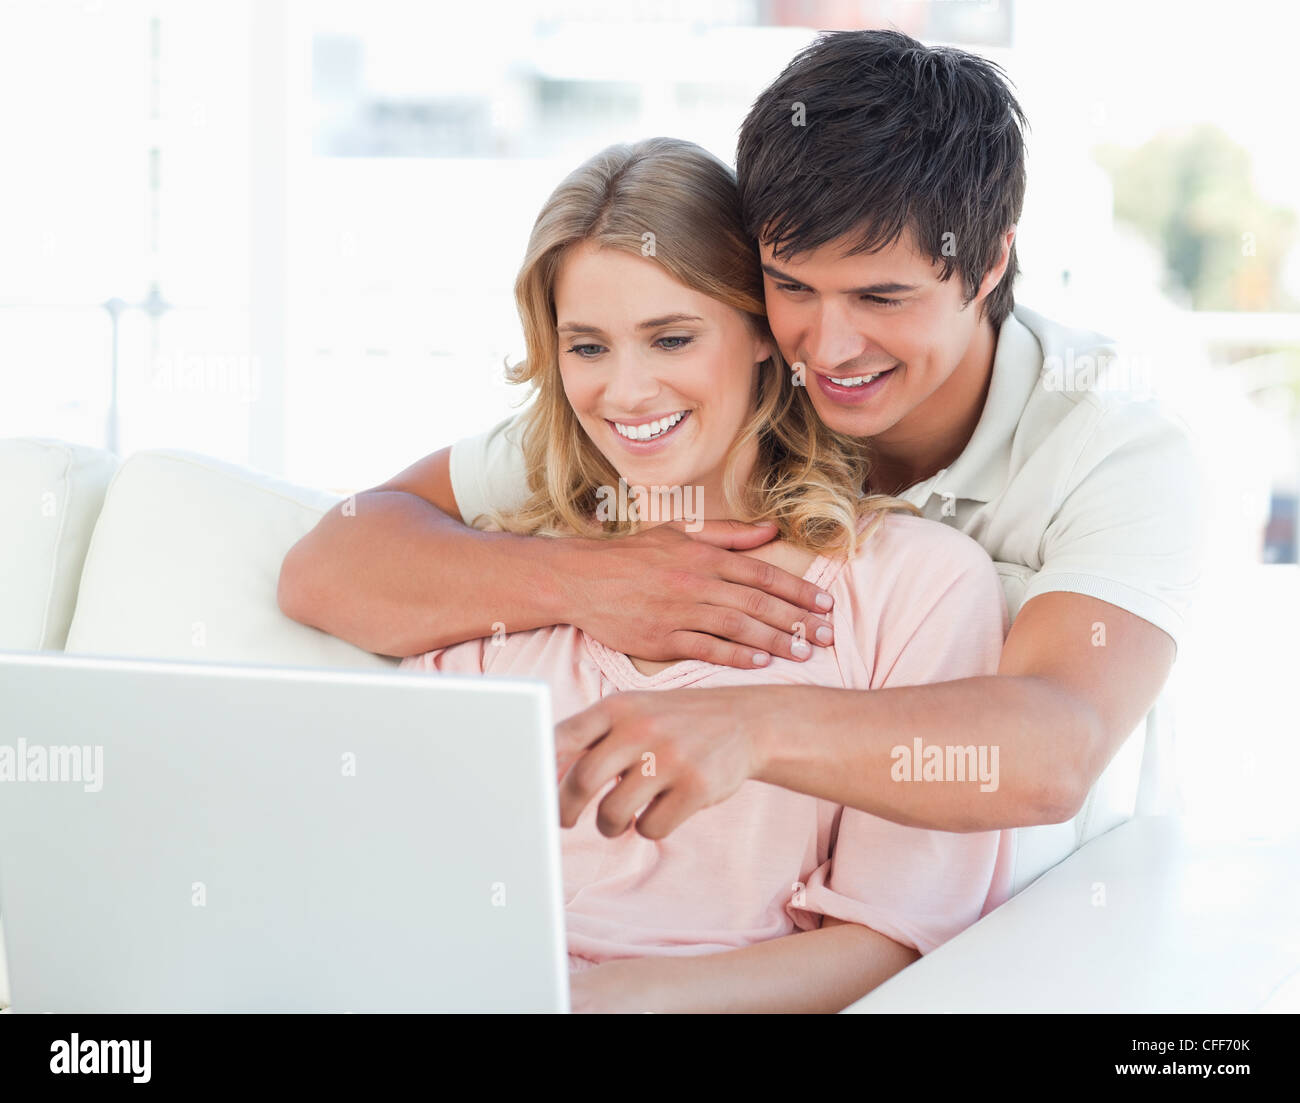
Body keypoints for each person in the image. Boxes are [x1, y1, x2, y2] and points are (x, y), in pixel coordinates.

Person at [278, 30, 1203, 845]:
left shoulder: (1110, 444)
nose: (830, 349)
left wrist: (752, 725)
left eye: (882, 297)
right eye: (791, 286)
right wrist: (582, 581)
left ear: (990, 259)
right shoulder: (720, 394)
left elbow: (1056, 748)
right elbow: (335, 560)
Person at [396, 135, 1014, 1013]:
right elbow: (401, 884)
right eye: (588, 347)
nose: (627, 391)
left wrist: (591, 1005)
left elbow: (892, 945)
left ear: (763, 332)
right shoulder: (504, 576)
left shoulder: (912, 585)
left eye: (672, 337)